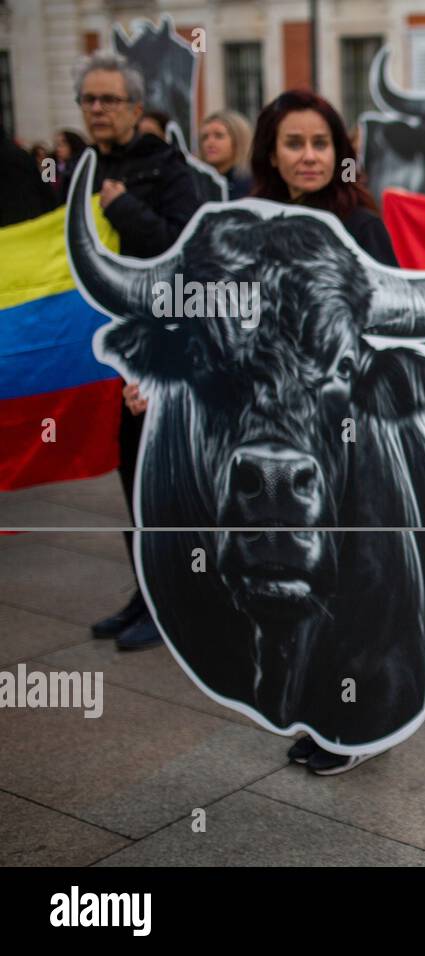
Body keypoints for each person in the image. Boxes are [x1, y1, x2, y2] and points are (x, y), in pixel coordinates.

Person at [249, 89, 425, 774]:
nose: (309, 156)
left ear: (341, 153)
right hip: (275, 434)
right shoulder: (247, 225)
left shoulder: (364, 229)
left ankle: (357, 727)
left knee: (358, 577)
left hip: (350, 435)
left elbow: (395, 329)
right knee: (293, 574)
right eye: (294, 143)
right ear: (271, 154)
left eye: (321, 143)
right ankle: (318, 708)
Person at [75, 51, 201, 651]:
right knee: (130, 473)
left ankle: (176, 601)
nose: (98, 110)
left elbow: (184, 249)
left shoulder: (169, 168)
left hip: (157, 345)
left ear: (135, 107)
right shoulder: (78, 168)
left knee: (161, 477)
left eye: (109, 99)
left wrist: (122, 208)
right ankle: (146, 590)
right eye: (88, 100)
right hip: (99, 347)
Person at [199, 109, 253, 199]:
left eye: (219, 136)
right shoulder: (196, 185)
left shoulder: (252, 186)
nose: (209, 142)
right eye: (205, 137)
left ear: (239, 141)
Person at [53, 129, 89, 203]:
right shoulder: (64, 167)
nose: (58, 149)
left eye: (62, 145)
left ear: (73, 144)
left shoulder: (75, 168)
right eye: (57, 145)